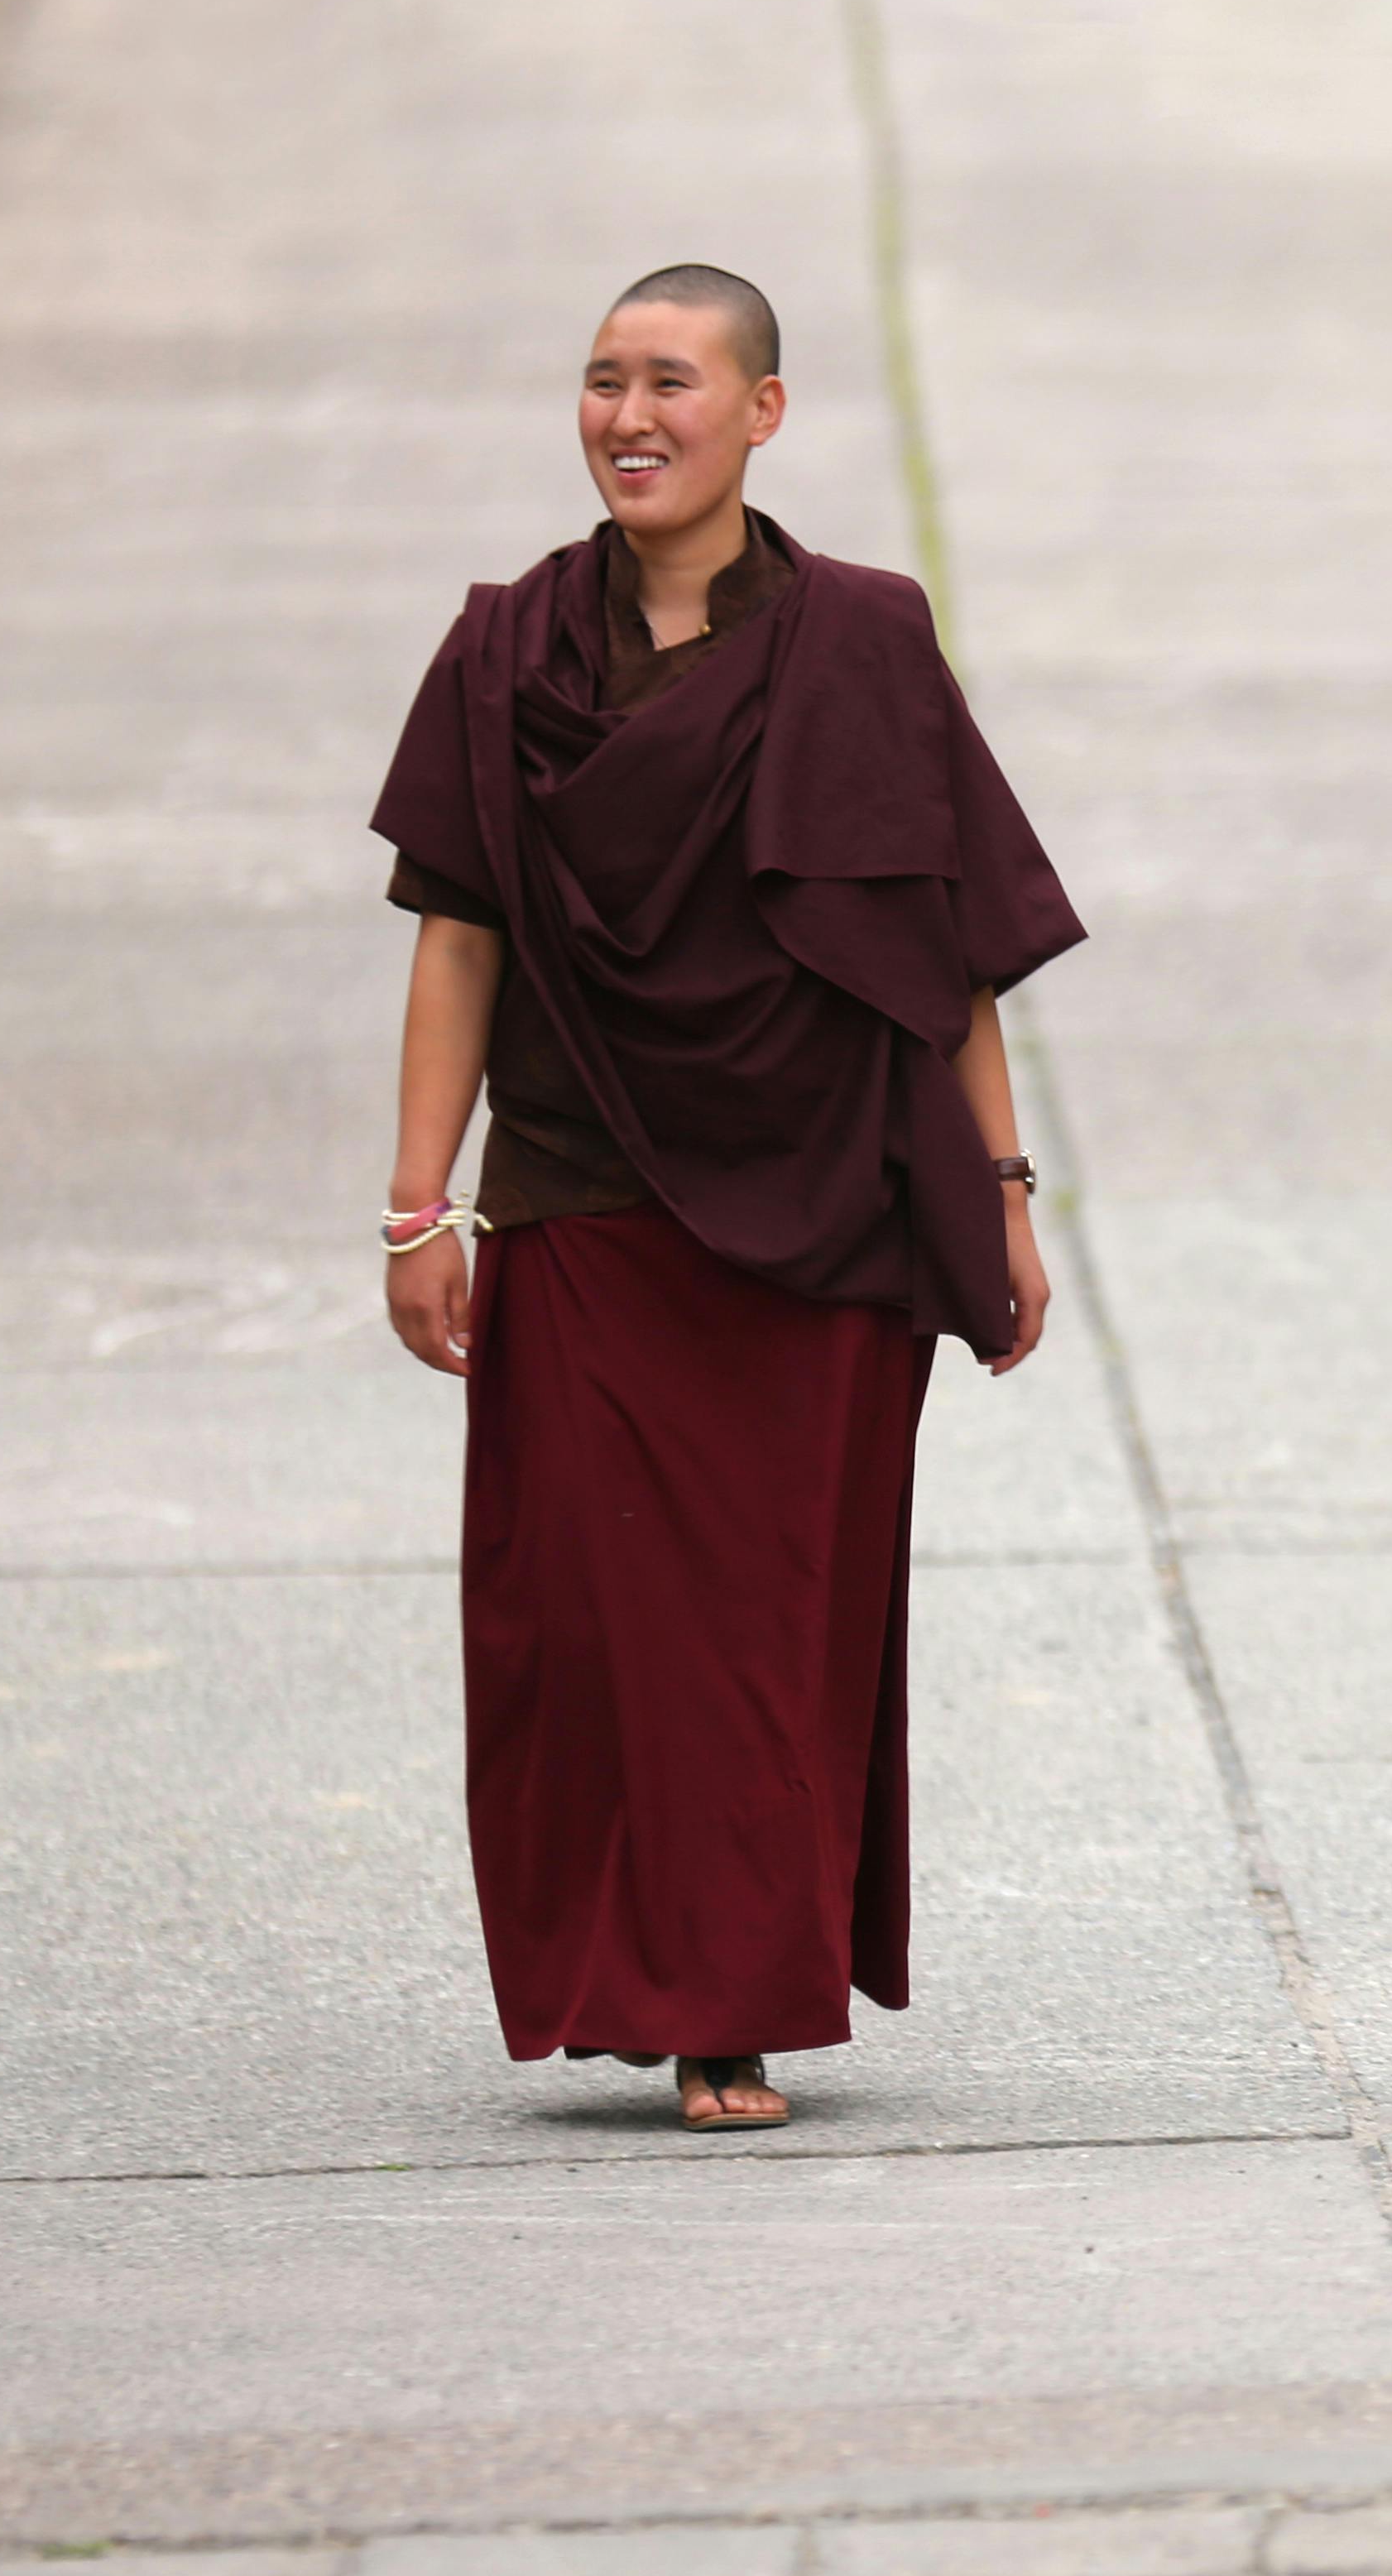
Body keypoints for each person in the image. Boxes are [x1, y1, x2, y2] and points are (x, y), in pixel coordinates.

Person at [367, 262, 1086, 2132]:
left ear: (762, 413)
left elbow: (949, 957)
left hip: (829, 1214)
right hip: (588, 1199)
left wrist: (1004, 1194)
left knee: (775, 1624)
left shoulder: (856, 637)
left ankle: (731, 2008)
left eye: (673, 383)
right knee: (597, 1629)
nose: (631, 418)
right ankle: (637, 1974)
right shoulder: (508, 652)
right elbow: (458, 939)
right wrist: (418, 1204)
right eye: (603, 383)